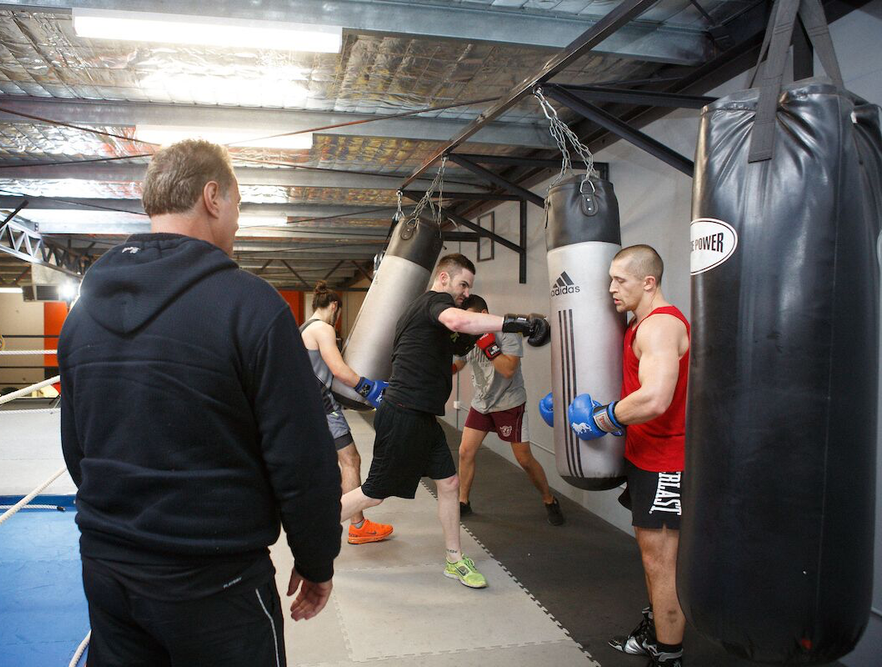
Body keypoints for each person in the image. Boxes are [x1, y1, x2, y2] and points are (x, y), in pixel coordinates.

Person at [58, 140, 342, 667]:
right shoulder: (251, 306)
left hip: (108, 570)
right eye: (237, 204)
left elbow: (77, 449)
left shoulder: (83, 314)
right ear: (213, 197)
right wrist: (316, 556)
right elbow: (301, 455)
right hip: (215, 581)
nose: (237, 220)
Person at [340, 253, 548, 589]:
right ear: (443, 278)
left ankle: (454, 559)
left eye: (469, 287)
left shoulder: (430, 317)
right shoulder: (433, 302)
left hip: (422, 416)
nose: (466, 292)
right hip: (404, 412)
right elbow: (457, 321)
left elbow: (458, 339)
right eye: (463, 284)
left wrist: (482, 329)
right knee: (375, 493)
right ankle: (311, 533)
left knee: (449, 484)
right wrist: (516, 323)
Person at [565, 245, 689, 667]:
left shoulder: (660, 327)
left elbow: (654, 398)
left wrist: (602, 418)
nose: (611, 289)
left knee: (663, 564)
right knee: (652, 560)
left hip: (666, 461)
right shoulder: (640, 324)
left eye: (620, 280)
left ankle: (669, 656)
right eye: (610, 280)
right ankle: (656, 635)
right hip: (644, 455)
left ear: (648, 282)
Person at [453, 294, 564, 526]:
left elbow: (508, 369)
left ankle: (549, 499)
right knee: (465, 452)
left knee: (524, 459)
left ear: (484, 315)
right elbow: (459, 363)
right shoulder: (467, 335)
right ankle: (463, 502)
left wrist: (488, 345)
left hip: (509, 403)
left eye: (470, 318)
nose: (467, 324)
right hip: (481, 403)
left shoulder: (508, 332)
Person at [300, 282, 394, 544]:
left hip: (307, 407)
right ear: (334, 306)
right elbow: (339, 370)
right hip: (325, 408)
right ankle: (356, 525)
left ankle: (332, 518)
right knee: (351, 460)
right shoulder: (323, 329)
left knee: (329, 465)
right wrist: (370, 389)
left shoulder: (304, 328)